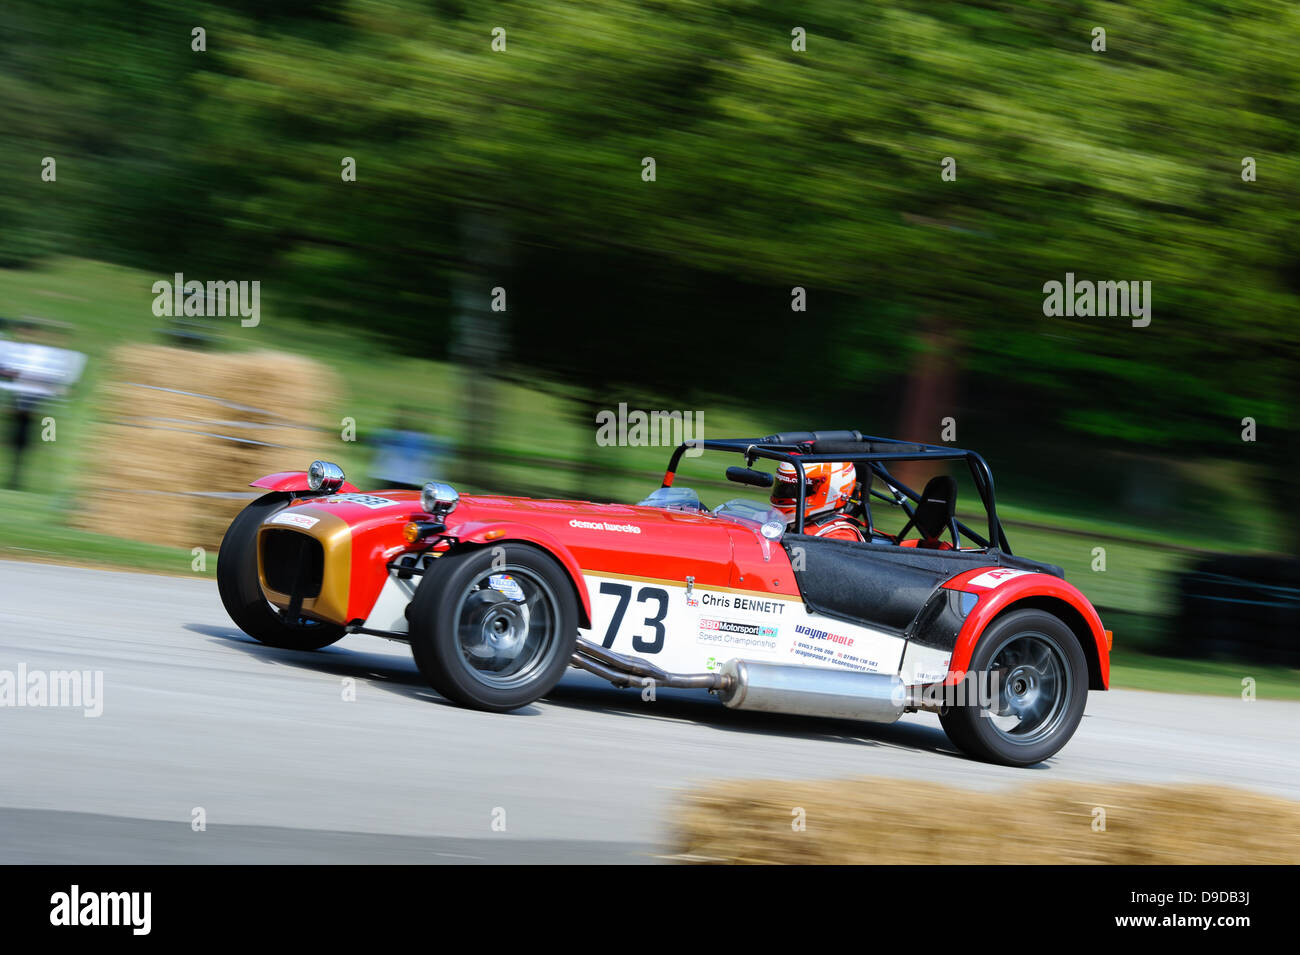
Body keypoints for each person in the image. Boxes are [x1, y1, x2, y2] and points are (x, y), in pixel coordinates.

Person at [770, 460, 867, 541]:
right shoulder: (773, 518)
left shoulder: (840, 535)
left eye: (795, 489)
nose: (786, 493)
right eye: (783, 487)